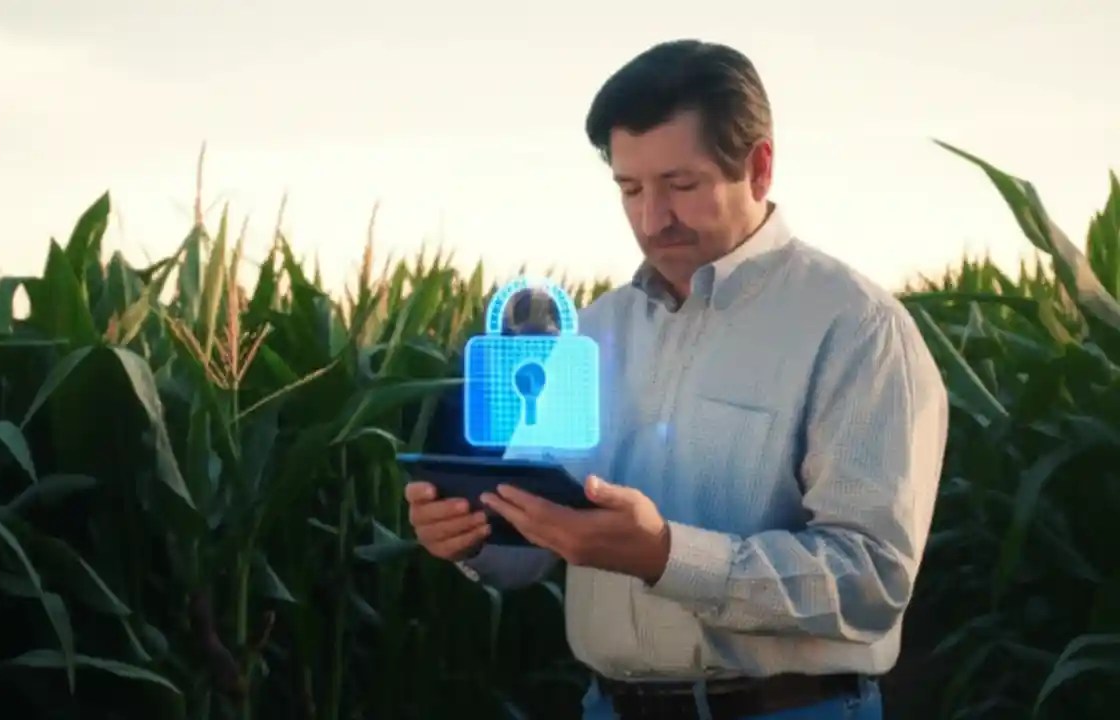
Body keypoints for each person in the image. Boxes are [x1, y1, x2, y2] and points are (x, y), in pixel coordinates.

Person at [403, 38, 948, 720]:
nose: (651, 219)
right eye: (630, 189)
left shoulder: (856, 328)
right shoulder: (596, 329)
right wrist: (472, 533)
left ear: (759, 167)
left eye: (680, 186)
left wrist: (665, 555)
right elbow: (534, 544)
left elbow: (869, 580)